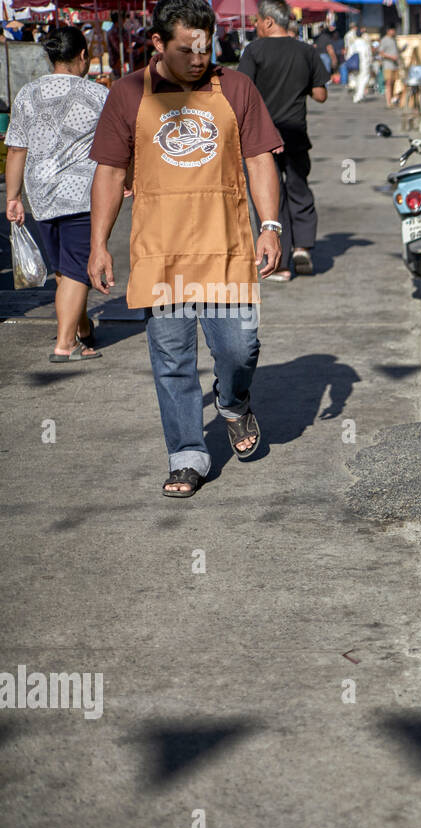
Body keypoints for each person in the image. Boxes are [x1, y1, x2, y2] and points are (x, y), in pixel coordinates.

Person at [87, 0, 283, 499]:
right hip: (161, 251)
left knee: (240, 349)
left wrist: (271, 225)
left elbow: (260, 159)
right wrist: (98, 245)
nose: (199, 59)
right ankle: (187, 456)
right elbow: (109, 172)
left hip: (226, 247)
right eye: (185, 49)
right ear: (157, 44)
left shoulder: (236, 87)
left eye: (205, 47)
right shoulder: (129, 93)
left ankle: (233, 405)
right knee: (172, 359)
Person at [4, 26, 109, 363]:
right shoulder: (97, 95)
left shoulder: (27, 94)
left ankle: (83, 330)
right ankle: (65, 345)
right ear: (82, 56)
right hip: (82, 193)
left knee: (67, 270)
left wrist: (13, 197)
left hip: (42, 194)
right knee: (77, 270)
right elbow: (117, 146)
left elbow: (17, 150)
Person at [239, 0, 327, 282]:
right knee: (300, 189)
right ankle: (302, 246)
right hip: (296, 133)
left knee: (269, 196)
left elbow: (242, 92)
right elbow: (321, 94)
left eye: (256, 22)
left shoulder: (253, 51)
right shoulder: (306, 51)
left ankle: (280, 263)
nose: (255, 27)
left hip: (261, 137)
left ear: (268, 21)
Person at [348, 27, 373, 103]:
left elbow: (349, 55)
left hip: (355, 64)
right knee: (363, 79)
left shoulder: (353, 44)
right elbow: (369, 55)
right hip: (364, 64)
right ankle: (359, 96)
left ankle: (357, 95)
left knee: (357, 79)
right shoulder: (365, 43)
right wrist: (370, 64)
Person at [379, 26, 400, 107]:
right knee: (388, 83)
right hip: (388, 65)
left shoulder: (394, 40)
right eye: (392, 30)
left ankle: (393, 100)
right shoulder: (384, 40)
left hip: (395, 65)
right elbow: (381, 53)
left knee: (394, 83)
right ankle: (388, 102)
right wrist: (391, 57)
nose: (393, 31)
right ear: (388, 30)